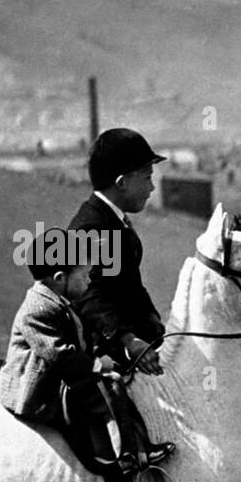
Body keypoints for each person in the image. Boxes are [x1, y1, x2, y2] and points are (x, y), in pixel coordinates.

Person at [0, 260, 173, 470]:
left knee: (115, 378)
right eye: (83, 276)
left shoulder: (58, 299)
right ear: (60, 278)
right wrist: (97, 365)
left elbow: (80, 340)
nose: (89, 281)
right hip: (37, 387)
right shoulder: (37, 309)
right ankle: (131, 453)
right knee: (112, 385)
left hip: (56, 372)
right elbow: (58, 354)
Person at [72, 127, 168, 375]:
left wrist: (154, 324)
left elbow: (130, 286)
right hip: (100, 353)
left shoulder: (115, 219)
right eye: (147, 178)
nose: (152, 187)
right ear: (122, 183)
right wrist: (128, 341)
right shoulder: (92, 227)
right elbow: (90, 298)